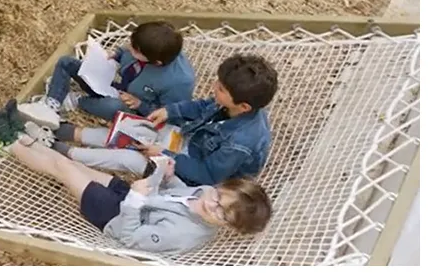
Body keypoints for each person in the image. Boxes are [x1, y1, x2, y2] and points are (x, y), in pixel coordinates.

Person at [0, 104, 272, 255]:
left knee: (64, 169)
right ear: (221, 188)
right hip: (131, 197)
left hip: (115, 217)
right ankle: (24, 138)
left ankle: (9, 141)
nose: (212, 205)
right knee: (66, 163)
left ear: (227, 227)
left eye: (222, 214)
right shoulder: (206, 193)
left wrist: (136, 199)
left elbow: (130, 239)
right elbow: (180, 195)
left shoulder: (185, 234)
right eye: (218, 197)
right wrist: (171, 178)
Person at [35, 53, 278, 186]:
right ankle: (68, 132)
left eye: (222, 89)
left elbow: (207, 175)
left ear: (244, 106)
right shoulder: (231, 105)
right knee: (138, 129)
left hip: (200, 174)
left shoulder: (241, 142)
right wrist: (170, 112)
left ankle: (65, 152)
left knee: (132, 156)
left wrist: (163, 154)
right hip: (190, 142)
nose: (215, 88)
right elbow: (201, 105)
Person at [17, 22, 195, 126]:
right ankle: (51, 106)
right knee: (66, 62)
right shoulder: (150, 46)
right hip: (115, 84)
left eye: (135, 50)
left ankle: (76, 101)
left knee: (112, 107)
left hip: (133, 106)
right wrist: (116, 54)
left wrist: (139, 104)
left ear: (156, 62)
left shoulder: (179, 81)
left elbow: (169, 114)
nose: (129, 47)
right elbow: (128, 46)